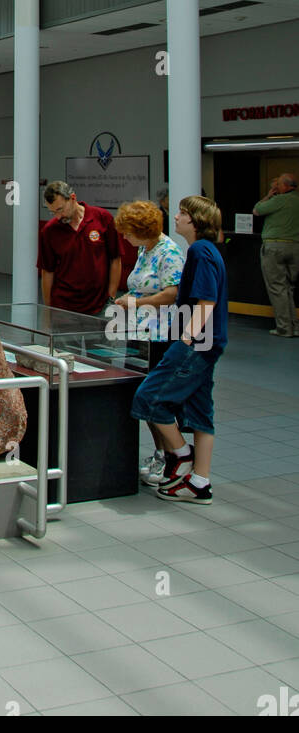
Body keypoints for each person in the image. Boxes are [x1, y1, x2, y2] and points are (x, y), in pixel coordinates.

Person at [130, 195, 228, 504]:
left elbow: (206, 300)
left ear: (196, 221)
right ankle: (200, 481)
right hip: (208, 342)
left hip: (195, 343)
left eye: (183, 214)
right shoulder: (207, 251)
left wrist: (185, 339)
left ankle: (181, 455)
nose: (176, 217)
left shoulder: (200, 251)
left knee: (149, 398)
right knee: (200, 412)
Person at [112, 200, 184, 486]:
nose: (125, 238)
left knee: (154, 398)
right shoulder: (145, 249)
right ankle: (159, 451)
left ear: (142, 229)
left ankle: (171, 456)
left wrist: (137, 302)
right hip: (139, 332)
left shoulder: (169, 252)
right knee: (142, 398)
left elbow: (171, 294)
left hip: (160, 336)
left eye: (128, 232)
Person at [38, 180, 122, 315]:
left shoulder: (102, 218)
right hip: (63, 307)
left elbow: (115, 259)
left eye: (60, 209)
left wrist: (111, 297)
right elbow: (47, 271)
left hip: (99, 306)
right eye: (53, 212)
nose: (58, 216)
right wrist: (48, 310)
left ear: (72, 198)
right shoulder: (49, 231)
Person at [252, 173, 299, 337]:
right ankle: (295, 325)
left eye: (277, 185)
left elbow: (257, 210)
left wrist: (268, 195)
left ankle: (284, 328)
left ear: (286, 186)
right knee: (289, 288)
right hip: (295, 247)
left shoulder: (278, 200)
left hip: (274, 247)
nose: (275, 188)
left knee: (277, 288)